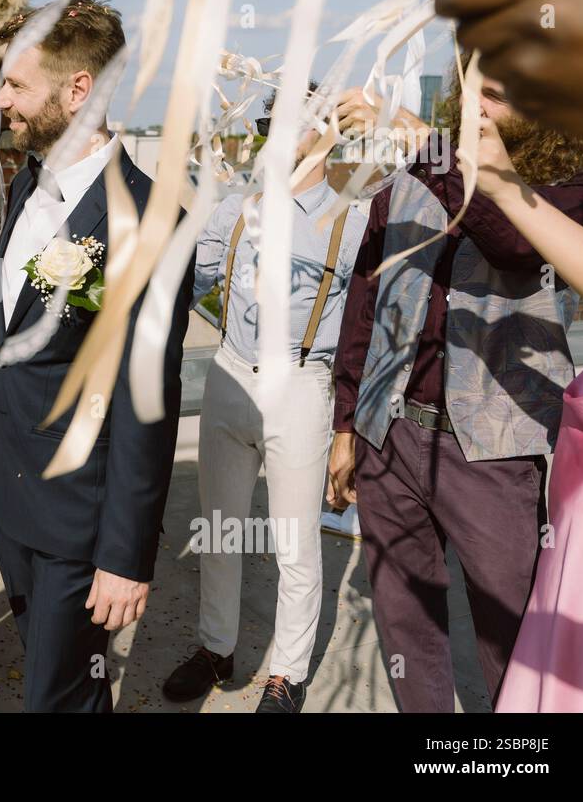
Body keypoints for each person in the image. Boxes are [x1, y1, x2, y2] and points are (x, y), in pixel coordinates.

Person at [329, 61, 583, 712]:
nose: (476, 106)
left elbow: (507, 242)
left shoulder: (572, 186)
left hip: (496, 453)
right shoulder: (412, 176)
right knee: (406, 627)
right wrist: (345, 423)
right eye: (471, 91)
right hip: (388, 435)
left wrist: (423, 140)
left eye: (497, 98)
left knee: (512, 639)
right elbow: (367, 295)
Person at [0, 0, 193, 712]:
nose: (0, 100)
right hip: (10, 496)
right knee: (64, 688)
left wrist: (124, 558)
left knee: (54, 699)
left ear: (79, 90)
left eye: (15, 85)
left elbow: (146, 401)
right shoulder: (24, 184)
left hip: (79, 515)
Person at [163, 88, 367, 713]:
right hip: (228, 374)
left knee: (294, 542)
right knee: (219, 529)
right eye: (268, 125)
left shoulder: (350, 222)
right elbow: (188, 287)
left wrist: (346, 424)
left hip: (301, 382)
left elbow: (365, 326)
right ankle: (216, 647)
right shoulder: (234, 209)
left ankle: (287, 672)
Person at [435, 0, 583, 142]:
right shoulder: (445, 161)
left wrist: (503, 172)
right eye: (467, 89)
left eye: (494, 96)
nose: (467, 106)